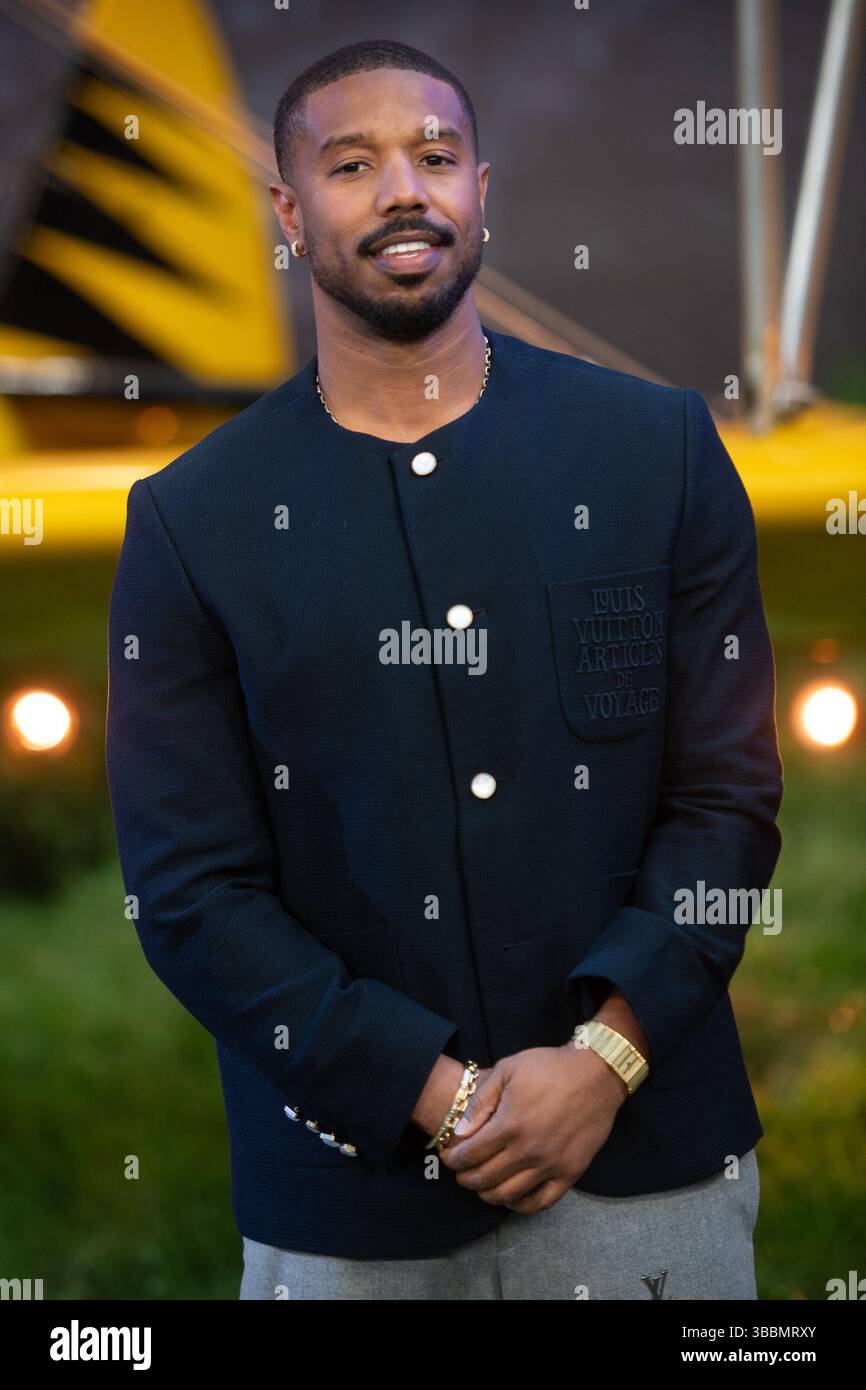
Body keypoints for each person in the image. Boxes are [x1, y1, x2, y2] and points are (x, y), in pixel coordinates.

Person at [105, 38, 783, 1301]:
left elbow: (726, 804)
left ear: (484, 187)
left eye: (433, 155)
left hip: (648, 1170)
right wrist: (437, 1094)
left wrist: (604, 1062)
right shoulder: (191, 522)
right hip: (344, 1208)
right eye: (350, 164)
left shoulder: (658, 451)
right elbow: (191, 892)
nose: (401, 190)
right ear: (289, 211)